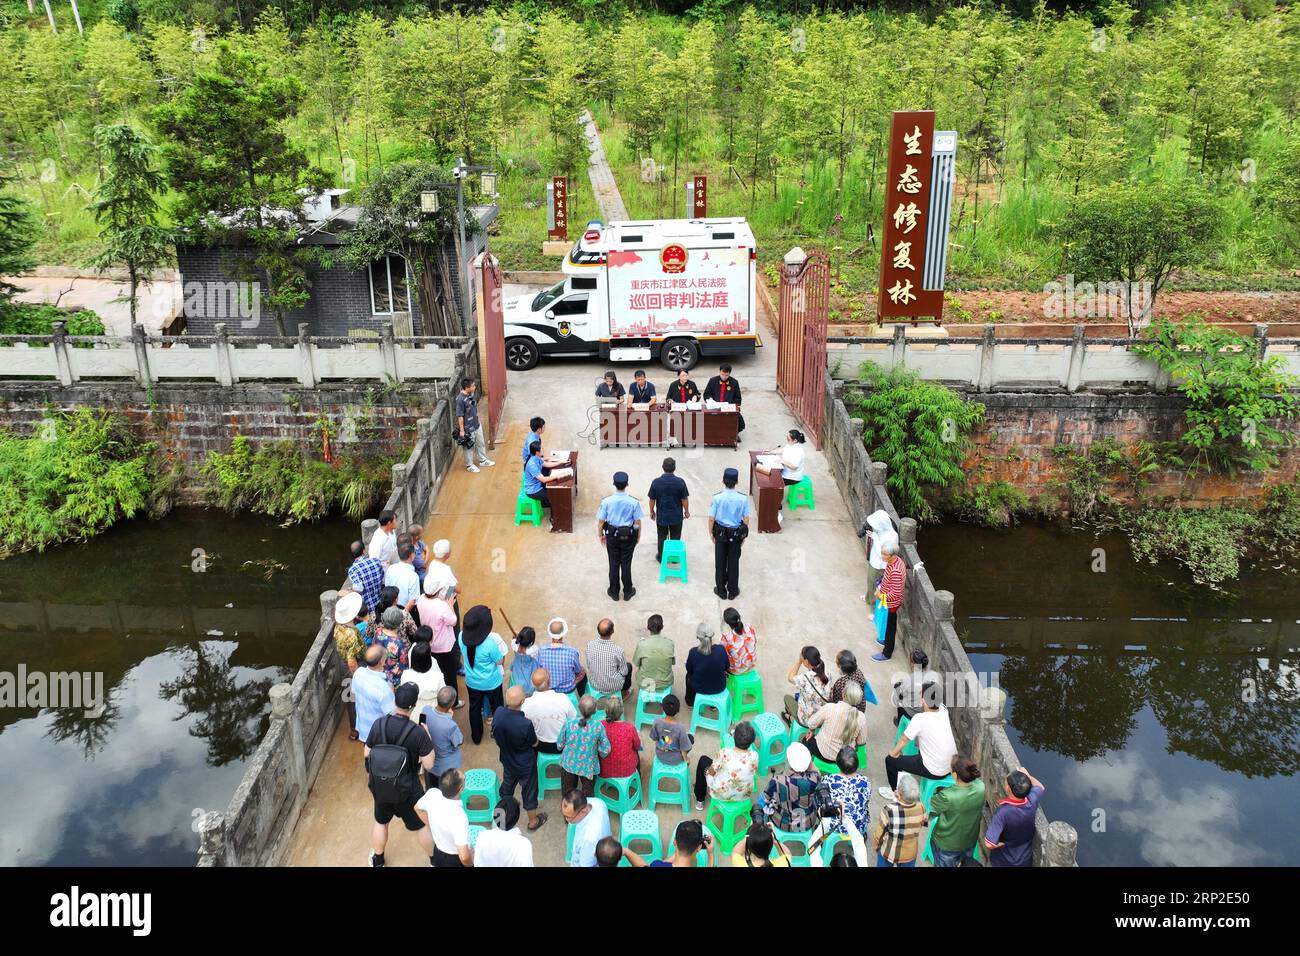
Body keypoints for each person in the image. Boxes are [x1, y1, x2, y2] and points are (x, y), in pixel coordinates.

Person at [364, 682, 435, 867]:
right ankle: (434, 861)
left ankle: (378, 860)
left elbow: (366, 753)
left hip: (382, 787)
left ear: (395, 700)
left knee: (381, 823)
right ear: (413, 706)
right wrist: (427, 737)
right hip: (408, 790)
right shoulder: (418, 732)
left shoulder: (379, 724)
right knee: (420, 827)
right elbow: (429, 764)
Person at [491, 685, 549, 832]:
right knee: (529, 791)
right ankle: (533, 821)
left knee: (508, 786)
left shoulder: (498, 713)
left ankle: (502, 819)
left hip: (507, 758)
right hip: (525, 764)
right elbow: (534, 743)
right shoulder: (525, 724)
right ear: (523, 701)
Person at [883, 682, 957, 792]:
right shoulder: (944, 709)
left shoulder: (920, 719)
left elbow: (904, 740)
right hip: (951, 765)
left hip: (933, 770)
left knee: (890, 761)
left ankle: (894, 791)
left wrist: (893, 753)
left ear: (923, 700)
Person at [458, 605, 507, 745]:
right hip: (492, 683)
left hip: (472, 682)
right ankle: (497, 733)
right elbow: (500, 661)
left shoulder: (461, 636)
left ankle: (476, 737)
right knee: (497, 707)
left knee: (474, 708)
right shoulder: (490, 644)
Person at [929, 755, 986, 867]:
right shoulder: (981, 787)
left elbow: (932, 808)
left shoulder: (947, 796)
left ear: (955, 775)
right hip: (970, 838)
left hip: (947, 843)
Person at [757, 741, 824, 832]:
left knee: (762, 801)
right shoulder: (814, 778)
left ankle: (762, 829)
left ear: (788, 762)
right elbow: (816, 771)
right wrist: (808, 762)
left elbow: (765, 799)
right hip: (807, 823)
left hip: (784, 823)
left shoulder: (777, 780)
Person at [985, 767, 1045, 867]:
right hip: (1024, 860)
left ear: (1008, 789)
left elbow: (989, 843)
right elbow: (1040, 786)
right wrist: (1027, 776)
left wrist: (1003, 844)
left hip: (1003, 861)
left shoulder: (1003, 813)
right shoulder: (1031, 802)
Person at [597, 471, 643, 601]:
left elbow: (601, 522)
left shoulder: (606, 501)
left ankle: (614, 592)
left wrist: (601, 535)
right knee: (626, 564)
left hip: (612, 536)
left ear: (614, 484)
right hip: (629, 537)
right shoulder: (633, 502)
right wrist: (638, 535)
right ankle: (628, 592)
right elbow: (637, 522)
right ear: (627, 484)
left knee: (614, 563)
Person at [693, 719, 758, 811]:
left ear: (734, 737)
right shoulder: (754, 755)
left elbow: (711, 771)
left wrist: (712, 774)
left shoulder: (724, 753)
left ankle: (700, 800)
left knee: (703, 761)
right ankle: (700, 786)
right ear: (752, 742)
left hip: (721, 794)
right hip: (743, 794)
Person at [415, 580, 461, 706]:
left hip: (429, 644)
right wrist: (450, 604)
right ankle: (453, 702)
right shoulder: (442, 606)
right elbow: (453, 621)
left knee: (436, 671)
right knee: (450, 675)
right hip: (444, 646)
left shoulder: (420, 600)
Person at [415, 769, 474, 868]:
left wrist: (432, 826)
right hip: (454, 859)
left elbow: (417, 808)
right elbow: (464, 856)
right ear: (461, 789)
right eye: (464, 778)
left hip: (438, 852)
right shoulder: (459, 816)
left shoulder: (432, 794)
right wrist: (471, 863)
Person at [556, 695, 610, 797]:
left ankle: (568, 810)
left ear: (578, 707)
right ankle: (586, 811)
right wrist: (598, 751)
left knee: (568, 791)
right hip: (588, 765)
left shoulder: (569, 724)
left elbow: (559, 744)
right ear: (594, 711)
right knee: (588, 793)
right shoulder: (598, 726)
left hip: (569, 764)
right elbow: (605, 749)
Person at [708, 467, 750, 600]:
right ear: (736, 482)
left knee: (720, 562)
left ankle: (721, 590)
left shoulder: (717, 498)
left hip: (720, 533)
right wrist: (743, 535)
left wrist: (711, 533)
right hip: (736, 534)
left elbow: (711, 518)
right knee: (733, 562)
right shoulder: (742, 499)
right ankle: (732, 591)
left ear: (723, 481)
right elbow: (746, 519)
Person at [804, 681, 868, 764]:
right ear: (858, 700)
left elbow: (811, 723)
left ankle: (806, 768)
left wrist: (811, 730)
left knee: (805, 740)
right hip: (844, 760)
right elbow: (861, 741)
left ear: (843, 694)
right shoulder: (861, 717)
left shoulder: (830, 707)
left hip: (821, 752)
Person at [333, 591, 368, 741]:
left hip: (343, 665)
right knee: (357, 698)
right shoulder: (352, 634)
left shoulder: (338, 627)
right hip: (354, 666)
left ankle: (353, 731)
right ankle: (361, 729)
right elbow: (351, 659)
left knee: (348, 698)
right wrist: (358, 675)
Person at [873, 774, 927, 867]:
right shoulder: (922, 807)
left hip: (890, 851)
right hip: (910, 852)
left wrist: (877, 846)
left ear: (898, 794)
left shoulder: (889, 810)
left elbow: (880, 834)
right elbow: (923, 823)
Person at [522, 667, 578, 754]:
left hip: (539, 745)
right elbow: (574, 719)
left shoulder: (526, 704)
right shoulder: (562, 698)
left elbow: (525, 727)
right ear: (549, 682)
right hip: (562, 745)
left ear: (532, 684)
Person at [822, 744, 872, 837]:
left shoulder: (828, 780)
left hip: (833, 826)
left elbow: (824, 802)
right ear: (857, 764)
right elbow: (866, 800)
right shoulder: (865, 781)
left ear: (837, 762)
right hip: (856, 826)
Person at [646, 457, 690, 563]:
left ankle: (662, 557)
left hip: (662, 516)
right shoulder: (680, 482)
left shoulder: (656, 482)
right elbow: (684, 499)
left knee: (661, 536)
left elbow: (652, 499)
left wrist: (651, 511)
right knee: (675, 536)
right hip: (676, 516)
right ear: (674, 468)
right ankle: (674, 558)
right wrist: (686, 511)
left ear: (662, 467)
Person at [353, 644, 395, 750]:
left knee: (368, 755)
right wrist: (392, 691)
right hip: (379, 733)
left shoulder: (358, 673)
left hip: (363, 728)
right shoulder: (383, 688)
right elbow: (392, 713)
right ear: (381, 662)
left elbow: (354, 692)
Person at [474, 795, 534, 867]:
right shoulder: (524, 844)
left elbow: (478, 863)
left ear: (494, 816)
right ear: (516, 819)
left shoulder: (482, 837)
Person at [872, 541, 907, 662]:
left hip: (891, 604)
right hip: (887, 600)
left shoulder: (896, 570)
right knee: (886, 623)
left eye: (884, 554)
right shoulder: (893, 562)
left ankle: (887, 653)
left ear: (892, 555)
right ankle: (885, 640)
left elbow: (896, 593)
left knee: (890, 627)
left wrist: (881, 596)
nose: (882, 556)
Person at [424, 686, 464, 791]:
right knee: (448, 793)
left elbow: (422, 727)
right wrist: (449, 718)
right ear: (451, 704)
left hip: (429, 762)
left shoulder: (426, 710)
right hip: (446, 767)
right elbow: (459, 742)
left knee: (431, 790)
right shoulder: (450, 725)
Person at [784, 645, 832, 728]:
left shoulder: (804, 679)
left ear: (806, 661)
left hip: (807, 721)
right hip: (822, 719)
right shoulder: (827, 675)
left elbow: (790, 678)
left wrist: (799, 662)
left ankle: (789, 718)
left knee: (787, 698)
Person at [536, 618, 586, 695]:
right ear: (563, 634)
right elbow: (577, 671)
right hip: (567, 689)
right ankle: (582, 695)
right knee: (582, 671)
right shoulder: (572, 652)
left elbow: (540, 669)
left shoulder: (541, 651)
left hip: (549, 688)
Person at [684, 622, 729, 707]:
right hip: (719, 687)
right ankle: (713, 706)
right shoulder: (721, 650)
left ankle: (690, 702)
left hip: (699, 688)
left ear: (698, 637)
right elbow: (727, 667)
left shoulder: (693, 652)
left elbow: (689, 670)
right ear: (712, 635)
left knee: (688, 676)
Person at [562, 789, 611, 867]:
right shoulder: (598, 803)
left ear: (583, 811)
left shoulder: (588, 840)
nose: (566, 820)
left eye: (568, 817)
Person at [858, 508, 899, 601]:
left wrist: (875, 538)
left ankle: (872, 603)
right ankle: (869, 597)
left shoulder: (892, 537)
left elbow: (883, 555)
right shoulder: (884, 528)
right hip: (874, 560)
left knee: (874, 583)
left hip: (879, 565)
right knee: (870, 582)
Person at [456, 376, 495, 473]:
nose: (474, 387)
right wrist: (462, 430)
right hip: (467, 428)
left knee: (480, 442)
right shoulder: (460, 399)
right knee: (469, 446)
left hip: (476, 423)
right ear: (467, 387)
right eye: (473, 386)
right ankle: (469, 465)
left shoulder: (471, 394)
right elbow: (460, 416)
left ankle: (483, 460)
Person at [403, 635, 446, 723]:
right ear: (429, 659)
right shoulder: (438, 676)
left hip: (412, 712)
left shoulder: (406, 674)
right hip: (433, 712)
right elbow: (442, 694)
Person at [598, 696, 642, 781]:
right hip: (626, 771)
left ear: (606, 710)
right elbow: (637, 746)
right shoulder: (630, 728)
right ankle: (637, 778)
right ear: (621, 711)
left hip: (604, 770)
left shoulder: (600, 725)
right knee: (637, 752)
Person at [755, 429, 807, 499]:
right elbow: (783, 450)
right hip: (784, 470)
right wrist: (771, 452)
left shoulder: (798, 452)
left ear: (795, 440)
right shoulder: (791, 444)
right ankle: (765, 494)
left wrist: (782, 461)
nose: (787, 440)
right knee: (759, 468)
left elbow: (794, 467)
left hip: (792, 477)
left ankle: (776, 502)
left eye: (788, 439)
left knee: (772, 479)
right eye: (786, 437)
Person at [893, 649, 941, 726]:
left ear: (913, 664)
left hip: (913, 713)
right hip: (928, 711)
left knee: (898, 696)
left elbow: (901, 693)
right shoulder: (933, 676)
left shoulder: (909, 679)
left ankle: (899, 722)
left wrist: (898, 686)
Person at [586, 618, 632, 696]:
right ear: (612, 631)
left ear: (598, 631)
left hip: (595, 684)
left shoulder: (590, 645)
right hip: (613, 687)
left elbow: (589, 665)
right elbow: (624, 672)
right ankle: (625, 691)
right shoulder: (618, 650)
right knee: (628, 666)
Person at [633, 614, 675, 692]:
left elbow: (636, 663)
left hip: (645, 683)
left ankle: (647, 697)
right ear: (662, 627)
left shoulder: (642, 644)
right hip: (664, 683)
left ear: (648, 627)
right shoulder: (670, 643)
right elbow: (672, 663)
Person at [702, 363, 744, 438]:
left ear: (729, 374)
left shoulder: (734, 382)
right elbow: (706, 393)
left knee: (738, 418)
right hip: (715, 407)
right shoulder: (713, 380)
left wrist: (732, 406)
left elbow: (738, 398)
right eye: (722, 374)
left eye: (726, 375)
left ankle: (734, 434)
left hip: (727, 407)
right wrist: (710, 399)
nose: (724, 377)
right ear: (719, 372)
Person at [650, 694, 693, 768]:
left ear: (662, 708)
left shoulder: (656, 722)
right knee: (690, 738)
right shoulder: (680, 728)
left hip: (660, 755)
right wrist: (686, 759)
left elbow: (654, 738)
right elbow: (684, 748)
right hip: (676, 759)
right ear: (678, 710)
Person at [345, 540, 385, 614]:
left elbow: (359, 588)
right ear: (364, 551)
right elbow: (382, 577)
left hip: (367, 609)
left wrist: (351, 589)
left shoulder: (353, 570)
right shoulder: (376, 561)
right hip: (380, 603)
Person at [375, 606, 411, 688]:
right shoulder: (399, 643)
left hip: (378, 672)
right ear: (399, 622)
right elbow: (404, 666)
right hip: (393, 679)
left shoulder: (378, 632)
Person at [719, 607, 756, 675]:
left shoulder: (726, 638)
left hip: (737, 671)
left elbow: (722, 656)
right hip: (751, 666)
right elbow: (754, 644)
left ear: (727, 623)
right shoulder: (750, 629)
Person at [384, 542, 421, 610]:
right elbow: (412, 601)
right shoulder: (413, 576)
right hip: (407, 610)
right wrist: (403, 615)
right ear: (412, 556)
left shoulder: (390, 568)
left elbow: (387, 588)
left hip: (392, 607)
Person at [523, 440, 557, 510]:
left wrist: (561, 462)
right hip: (533, 491)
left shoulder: (536, 458)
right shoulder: (532, 465)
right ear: (537, 452)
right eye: (541, 449)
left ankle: (545, 502)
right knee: (554, 495)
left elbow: (547, 464)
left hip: (537, 484)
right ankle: (554, 518)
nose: (543, 450)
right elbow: (543, 480)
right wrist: (557, 476)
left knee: (547, 473)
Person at [509, 626, 541, 696]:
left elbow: (514, 640)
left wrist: (516, 637)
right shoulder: (534, 649)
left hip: (517, 670)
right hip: (530, 671)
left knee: (516, 682)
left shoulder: (514, 644)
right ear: (531, 642)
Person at [407, 524, 428, 588]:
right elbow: (424, 565)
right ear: (416, 537)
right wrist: (426, 552)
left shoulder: (418, 542)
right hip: (420, 577)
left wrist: (425, 554)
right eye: (421, 533)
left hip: (423, 572)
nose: (422, 535)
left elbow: (426, 548)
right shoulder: (412, 551)